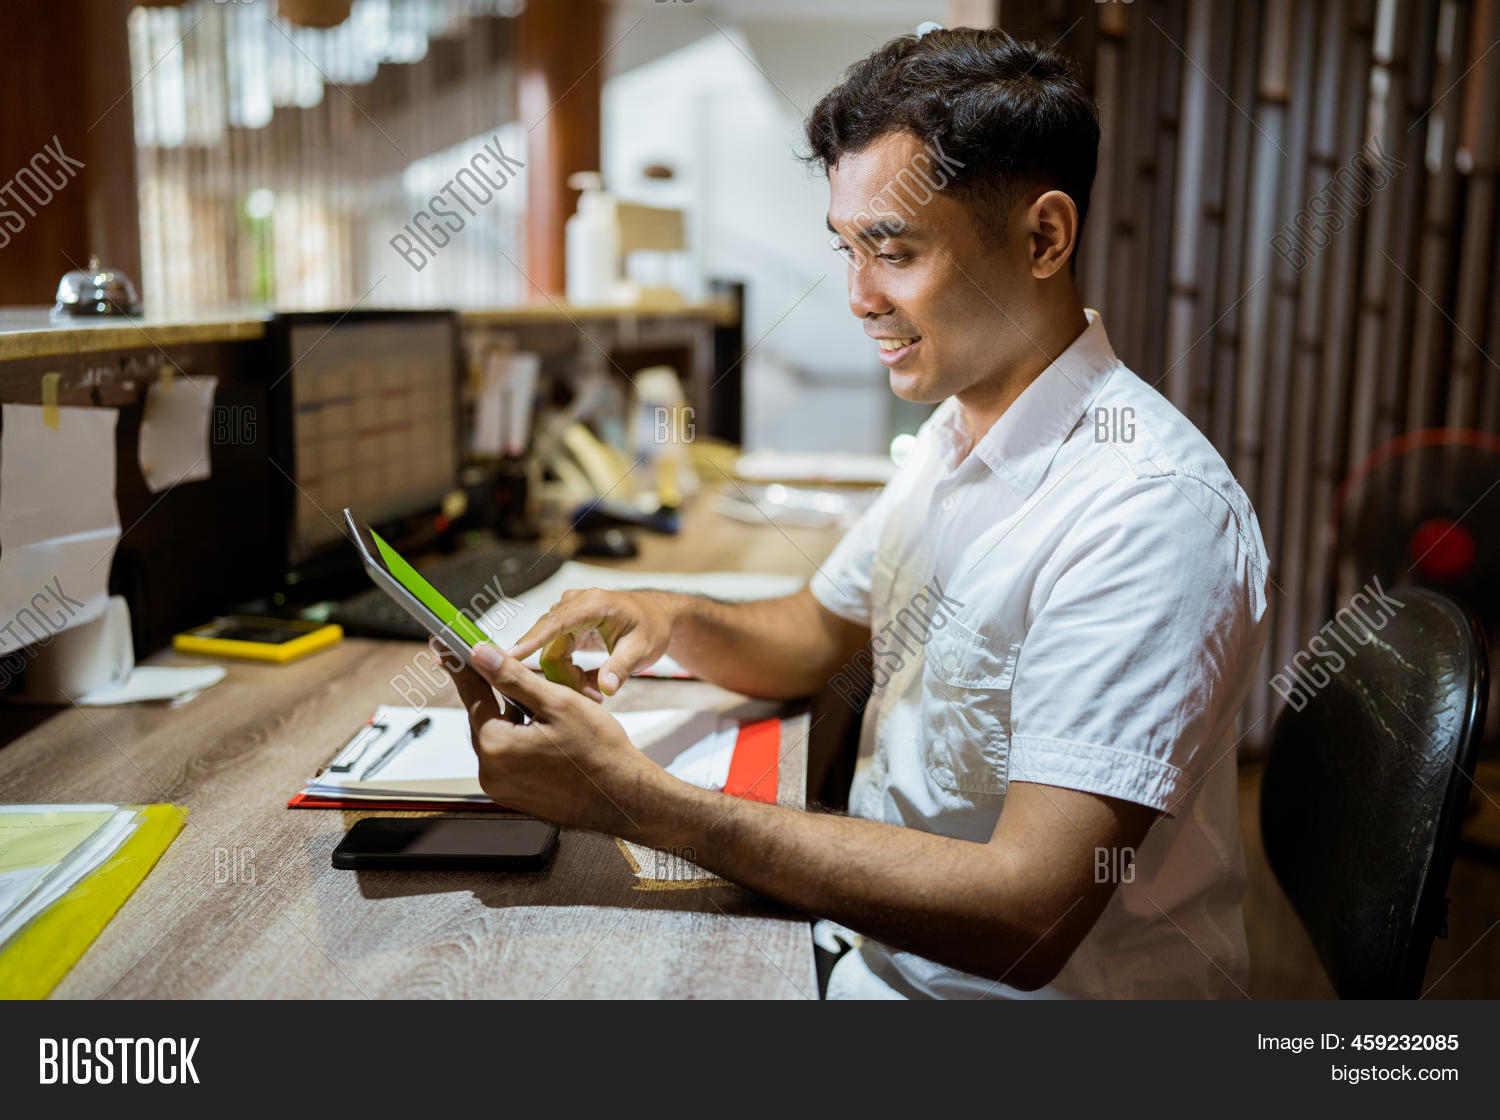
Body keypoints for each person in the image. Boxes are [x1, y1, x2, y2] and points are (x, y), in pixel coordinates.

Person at [441, 26, 1269, 999]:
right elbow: (812, 630)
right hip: (869, 954)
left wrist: (643, 804)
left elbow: (1029, 913)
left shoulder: (1146, 511)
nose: (857, 296)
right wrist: (667, 614)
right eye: (847, 249)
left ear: (1044, 238)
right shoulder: (957, 433)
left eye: (896, 251)